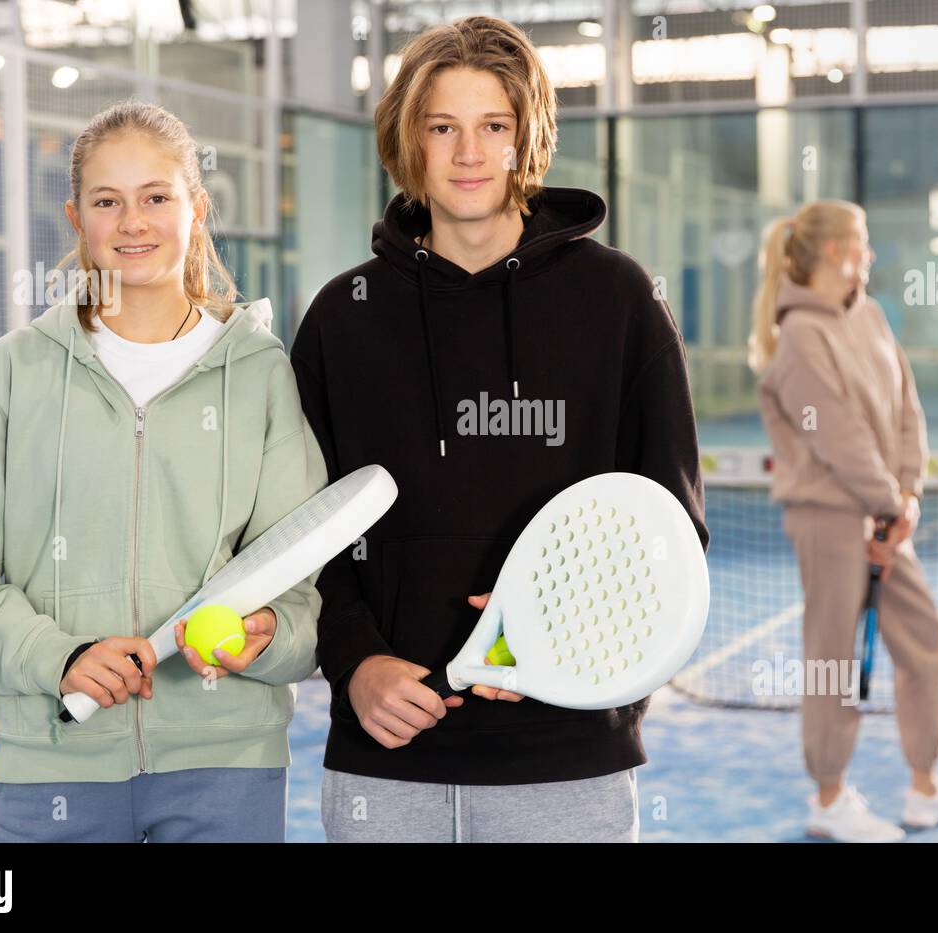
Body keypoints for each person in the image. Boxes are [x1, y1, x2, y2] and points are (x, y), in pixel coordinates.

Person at [291, 15, 707, 842]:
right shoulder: (345, 317)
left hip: (566, 760)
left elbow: (672, 523)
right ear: (410, 141)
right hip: (386, 756)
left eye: (493, 127)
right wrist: (356, 662)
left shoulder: (621, 300)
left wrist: (572, 649)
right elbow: (303, 532)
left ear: (527, 139)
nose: (468, 153)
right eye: (443, 127)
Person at [0, 101, 327, 842]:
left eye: (156, 197)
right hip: (54, 770)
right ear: (78, 217)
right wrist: (57, 657)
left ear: (196, 207)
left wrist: (269, 634)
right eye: (108, 201)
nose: (134, 222)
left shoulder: (259, 374)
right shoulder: (12, 376)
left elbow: (301, 580)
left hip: (227, 769)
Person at [751, 200, 938, 842]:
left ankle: (925, 787)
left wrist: (907, 497)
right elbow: (836, 437)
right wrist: (886, 501)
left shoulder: (870, 318)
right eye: (862, 244)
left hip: (883, 519)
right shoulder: (798, 336)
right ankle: (829, 798)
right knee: (831, 660)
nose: (869, 256)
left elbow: (908, 411)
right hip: (827, 519)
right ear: (834, 251)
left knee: (927, 640)